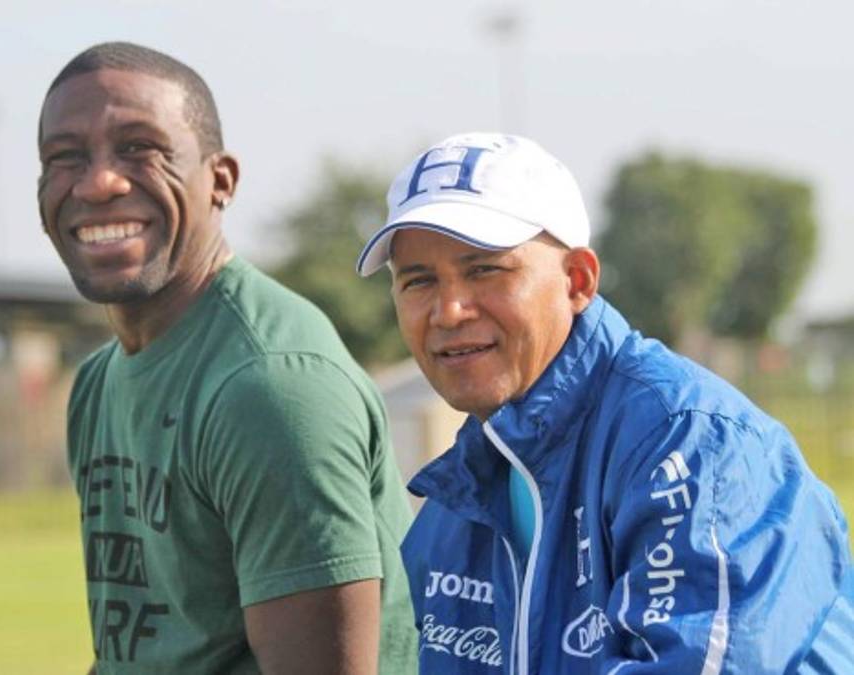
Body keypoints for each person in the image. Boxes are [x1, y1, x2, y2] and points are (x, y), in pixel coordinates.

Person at [356, 131, 854, 673]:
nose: (449, 310)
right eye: (419, 281)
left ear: (577, 280)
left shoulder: (691, 443)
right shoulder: (463, 492)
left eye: (485, 270)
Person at [37, 42, 417, 674]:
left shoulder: (269, 387)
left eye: (140, 148)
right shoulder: (99, 383)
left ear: (221, 181)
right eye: (64, 157)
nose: (98, 181)